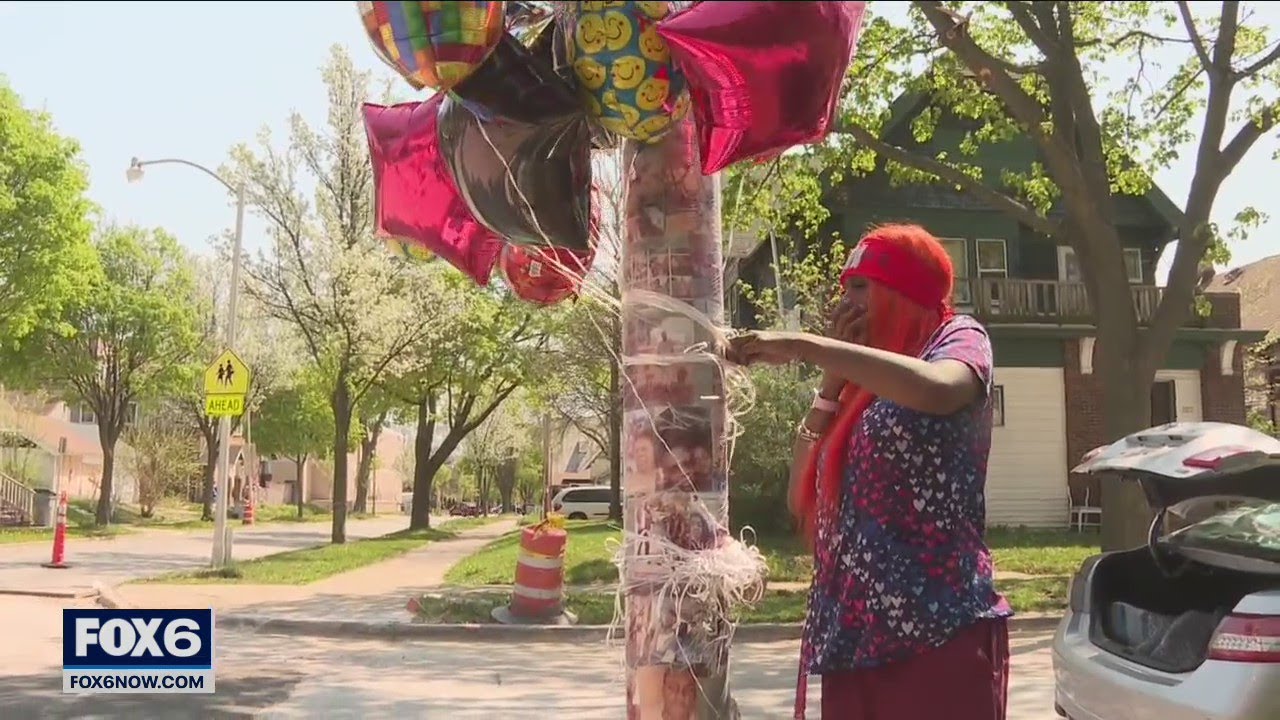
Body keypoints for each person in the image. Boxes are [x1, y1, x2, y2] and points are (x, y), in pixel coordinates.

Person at [726, 224, 1011, 720]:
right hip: (853, 640)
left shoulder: (957, 338)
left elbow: (939, 389)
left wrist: (805, 345)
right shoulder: (862, 381)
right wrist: (830, 383)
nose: (846, 303)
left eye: (860, 287)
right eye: (845, 289)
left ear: (903, 290)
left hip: (936, 633)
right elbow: (800, 497)